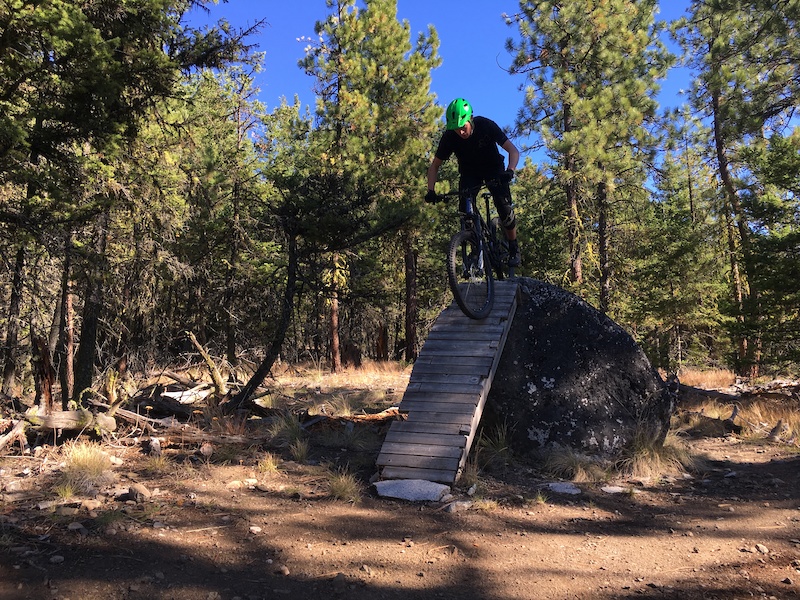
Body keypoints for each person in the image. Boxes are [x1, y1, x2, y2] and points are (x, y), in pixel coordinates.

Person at [426, 97, 521, 267]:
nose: (460, 132)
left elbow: (513, 151)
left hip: (494, 168)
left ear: (470, 119)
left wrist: (510, 171)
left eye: (463, 127)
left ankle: (513, 246)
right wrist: (431, 190)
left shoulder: (485, 125)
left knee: (503, 206)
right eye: (456, 129)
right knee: (465, 211)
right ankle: (475, 246)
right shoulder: (449, 137)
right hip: (470, 173)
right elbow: (434, 166)